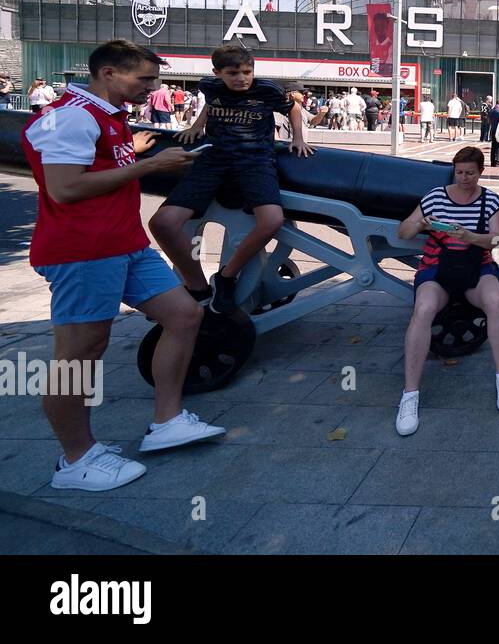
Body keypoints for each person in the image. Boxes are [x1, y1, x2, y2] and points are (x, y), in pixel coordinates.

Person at [21, 39, 226, 491]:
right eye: (144, 79)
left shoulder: (103, 118)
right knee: (80, 354)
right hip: (83, 251)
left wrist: (130, 152)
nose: (152, 87)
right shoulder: (71, 116)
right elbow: (66, 189)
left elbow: (93, 166)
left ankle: (167, 421)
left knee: (184, 313)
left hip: (125, 243)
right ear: (109, 73)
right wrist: (149, 167)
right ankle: (75, 460)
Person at [149, 43, 314, 314]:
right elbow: (211, 104)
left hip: (255, 162)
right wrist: (196, 126)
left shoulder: (267, 90)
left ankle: (226, 277)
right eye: (233, 72)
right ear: (217, 73)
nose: (242, 78)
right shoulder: (210, 87)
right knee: (163, 223)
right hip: (213, 160)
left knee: (271, 220)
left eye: (247, 71)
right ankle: (197, 286)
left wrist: (297, 138)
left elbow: (293, 108)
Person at [395, 146, 499, 427]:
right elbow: (403, 231)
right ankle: (409, 394)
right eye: (459, 172)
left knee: (496, 303)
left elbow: (498, 240)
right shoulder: (436, 196)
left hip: (476, 266)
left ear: (481, 172)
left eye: (470, 173)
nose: (464, 178)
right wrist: (421, 224)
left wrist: (472, 236)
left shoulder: (492, 199)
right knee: (423, 310)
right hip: (438, 265)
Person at [487, 97, 499, 167]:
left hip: (493, 130)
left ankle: (492, 162)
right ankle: (498, 161)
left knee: (493, 146)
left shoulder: (492, 110)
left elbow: (488, 120)